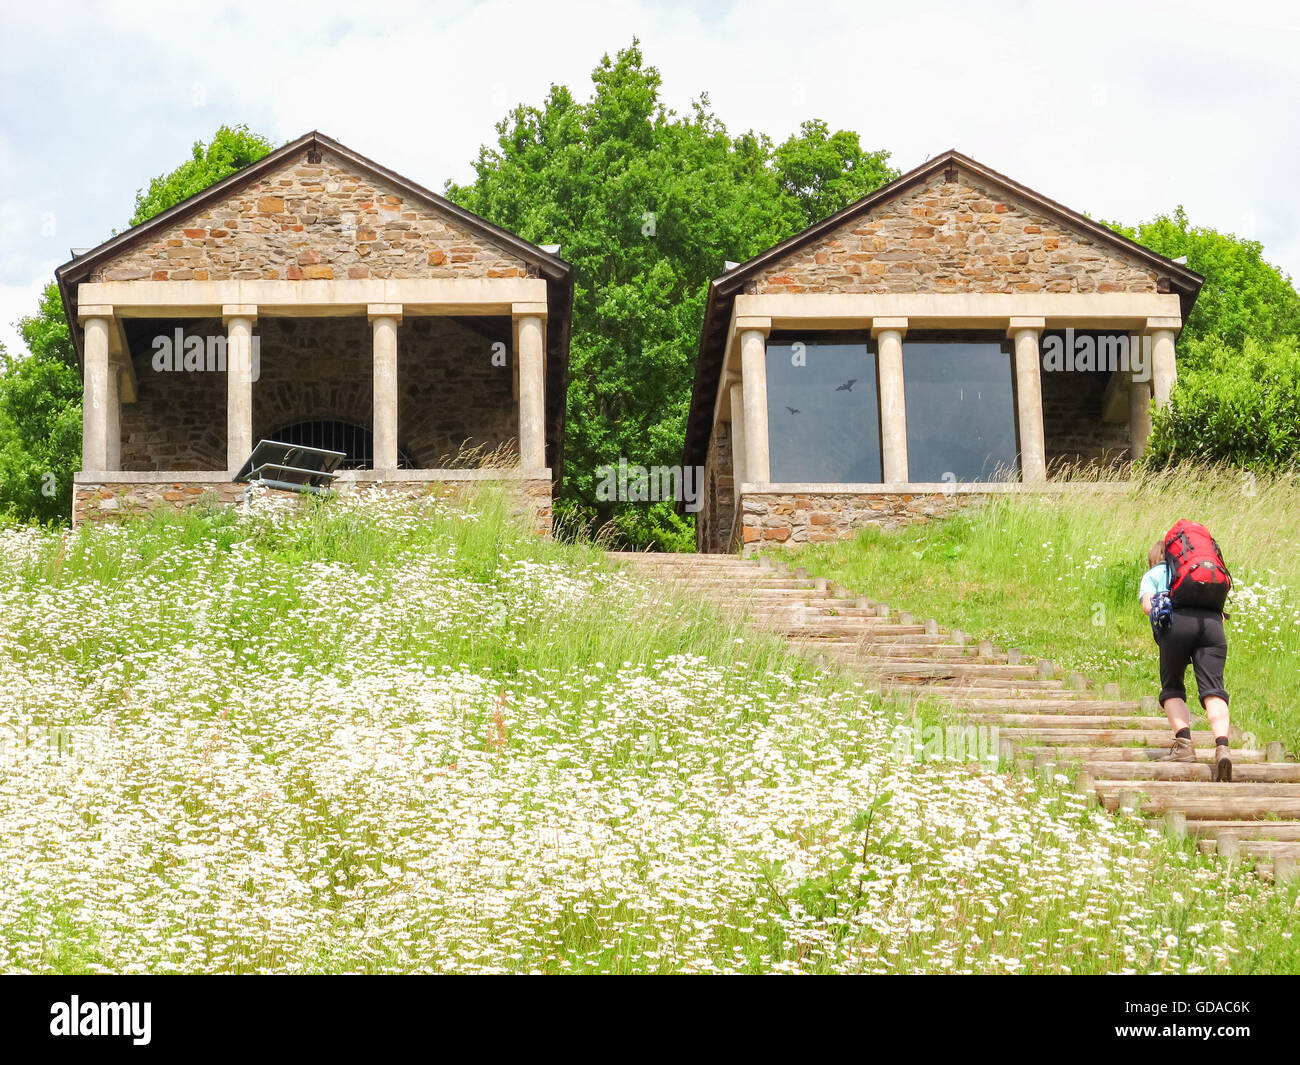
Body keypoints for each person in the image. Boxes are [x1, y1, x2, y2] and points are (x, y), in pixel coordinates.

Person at [1139, 539, 1233, 780]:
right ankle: (1222, 747)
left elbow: (1150, 607)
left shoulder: (1154, 573)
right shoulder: (1198, 572)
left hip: (1177, 626)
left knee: (1172, 689)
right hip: (1212, 625)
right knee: (1214, 690)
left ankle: (1184, 746)